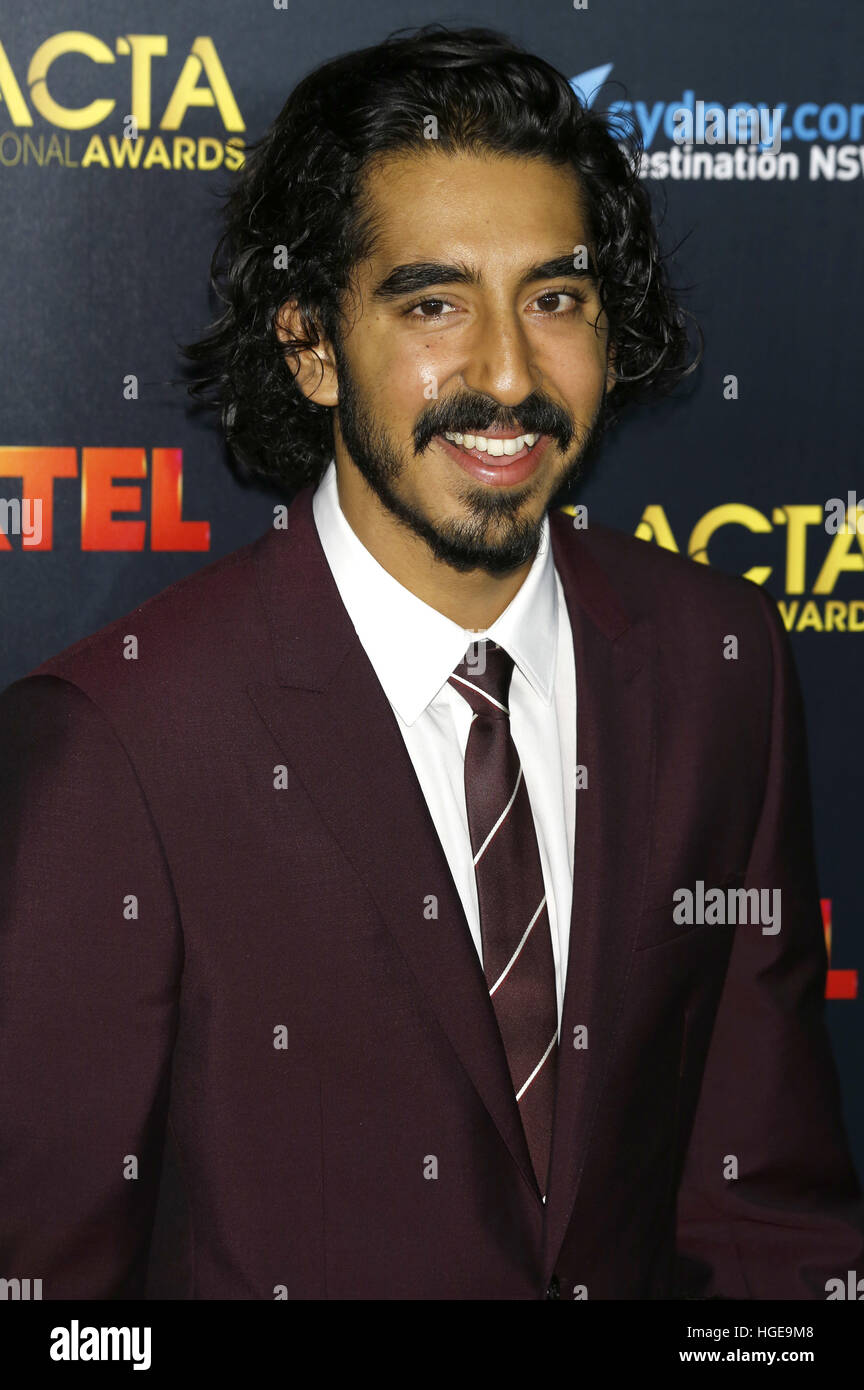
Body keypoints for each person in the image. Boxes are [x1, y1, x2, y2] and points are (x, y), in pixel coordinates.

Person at [1, 25, 861, 1301]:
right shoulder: (118, 741)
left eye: (555, 299)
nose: (508, 373)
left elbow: (764, 1217)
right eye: (433, 302)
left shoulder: (717, 665)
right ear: (309, 342)